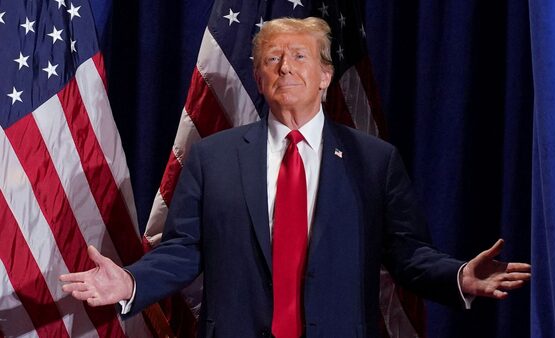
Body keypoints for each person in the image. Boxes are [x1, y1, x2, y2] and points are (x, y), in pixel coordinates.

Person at [60, 17, 531, 338]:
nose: (285, 66)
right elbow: (184, 250)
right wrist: (131, 284)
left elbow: (407, 256)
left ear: (326, 75)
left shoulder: (374, 161)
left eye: (300, 56)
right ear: (259, 77)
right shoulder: (211, 158)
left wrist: (458, 276)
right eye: (272, 58)